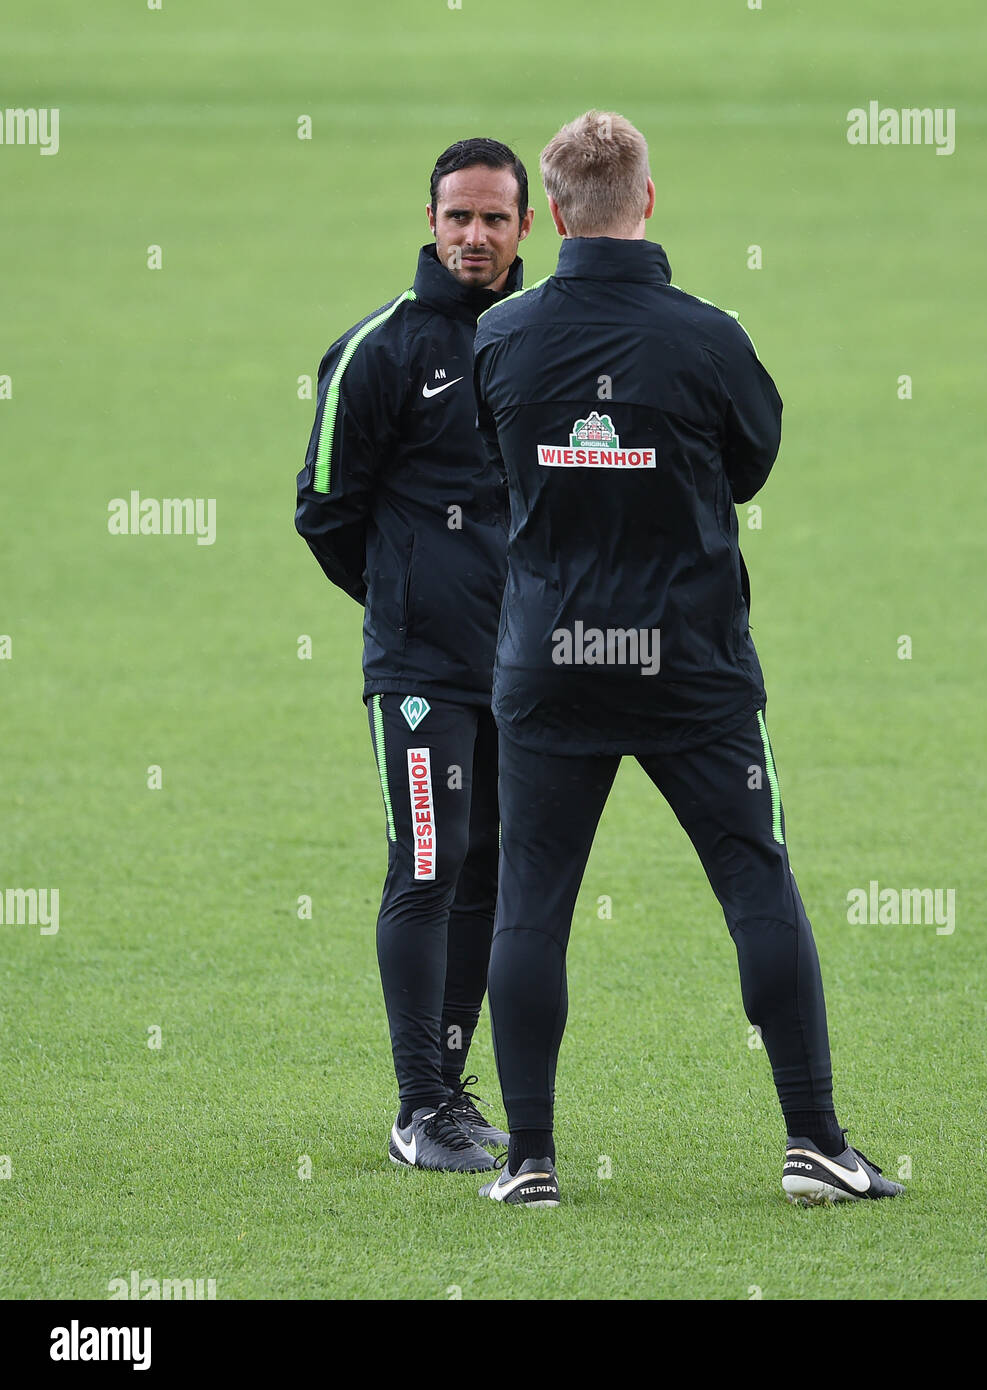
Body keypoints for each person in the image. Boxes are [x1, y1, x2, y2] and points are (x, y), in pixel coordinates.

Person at [472, 111, 904, 1208]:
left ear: (553, 213)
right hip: (691, 665)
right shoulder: (711, 334)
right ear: (648, 201)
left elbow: (508, 463)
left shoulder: (502, 336)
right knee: (757, 884)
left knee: (531, 899)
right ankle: (814, 1142)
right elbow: (752, 462)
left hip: (551, 658)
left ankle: (529, 1162)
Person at [296, 138, 534, 1173]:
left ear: (529, 227)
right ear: (429, 225)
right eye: (458, 217)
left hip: (520, 670)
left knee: (486, 872)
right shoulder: (381, 349)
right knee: (427, 867)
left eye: (494, 218)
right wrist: (407, 600)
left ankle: (449, 1086)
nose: (474, 236)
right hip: (420, 673)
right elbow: (324, 512)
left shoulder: (540, 342)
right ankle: (414, 1110)